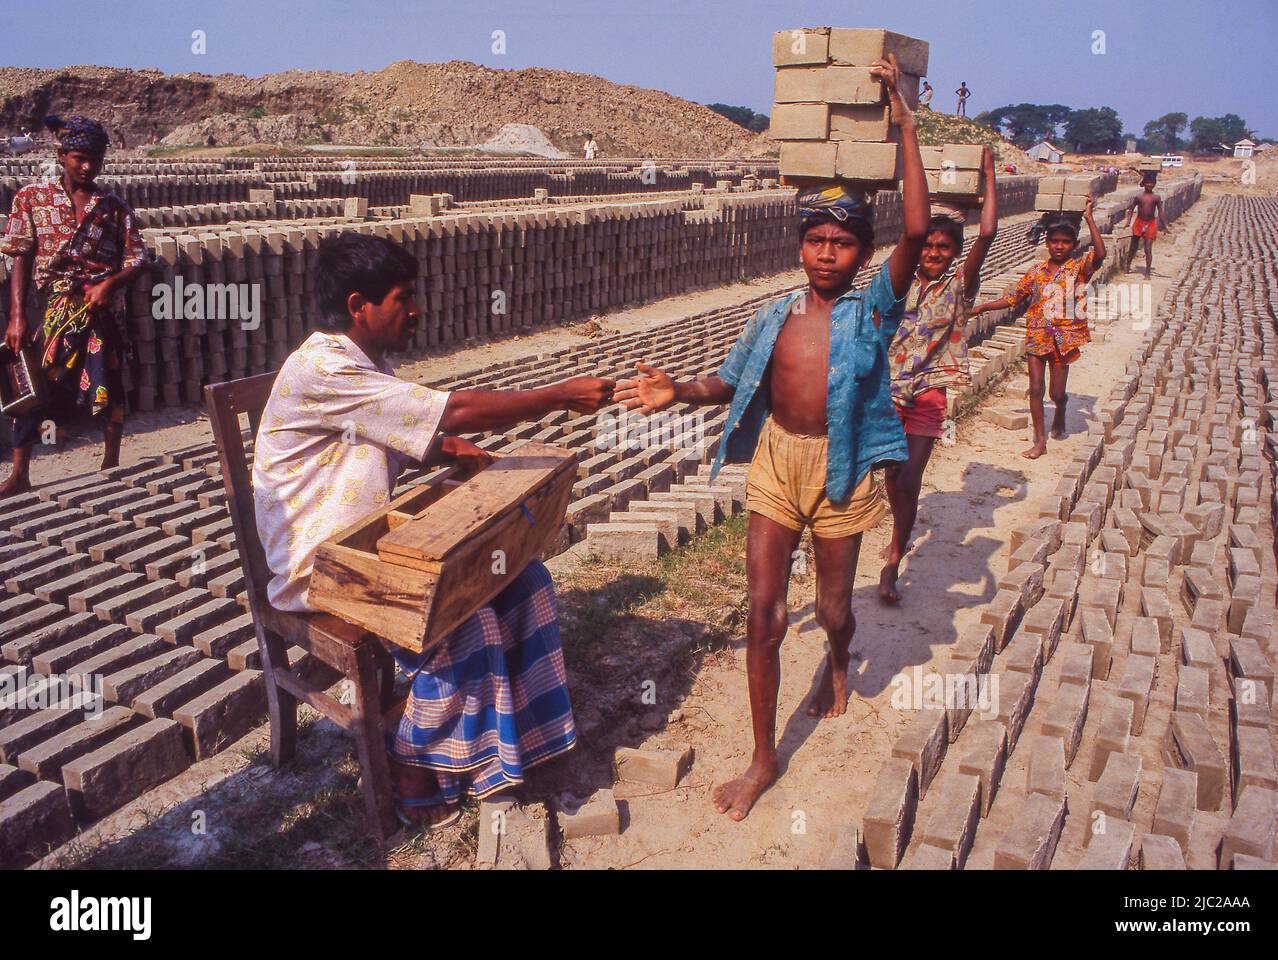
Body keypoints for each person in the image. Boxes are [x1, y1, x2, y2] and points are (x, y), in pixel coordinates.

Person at [614, 54, 930, 822]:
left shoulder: (871, 313)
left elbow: (917, 228)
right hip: (777, 464)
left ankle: (838, 659)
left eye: (844, 243)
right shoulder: (773, 316)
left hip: (842, 467)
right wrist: (677, 390)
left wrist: (904, 119)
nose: (828, 252)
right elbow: (732, 382)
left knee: (830, 609)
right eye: (816, 239)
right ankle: (762, 756)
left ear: (861, 254)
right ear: (800, 245)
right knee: (764, 611)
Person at [252, 232, 614, 829]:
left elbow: (397, 427)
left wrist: (446, 448)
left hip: (363, 546)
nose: (417, 309)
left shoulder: (367, 364)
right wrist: (558, 396)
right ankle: (414, 764)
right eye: (404, 297)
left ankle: (509, 747)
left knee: (525, 583)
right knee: (459, 615)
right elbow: (455, 407)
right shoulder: (323, 368)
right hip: (319, 570)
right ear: (358, 306)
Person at [1, 115, 150, 498]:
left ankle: (110, 462)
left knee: (109, 384)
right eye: (80, 158)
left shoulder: (114, 207)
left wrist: (109, 285)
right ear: (62, 155)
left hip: (99, 311)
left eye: (95, 159)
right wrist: (16, 316)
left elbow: (138, 260)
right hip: (50, 309)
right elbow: (20, 256)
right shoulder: (32, 198)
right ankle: (20, 473)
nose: (87, 167)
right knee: (32, 384)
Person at [879, 146, 999, 602]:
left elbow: (987, 233)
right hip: (885, 393)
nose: (933, 252)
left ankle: (894, 559)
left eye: (943, 247)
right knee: (890, 478)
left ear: (954, 253)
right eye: (927, 245)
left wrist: (986, 173)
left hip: (928, 394)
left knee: (908, 481)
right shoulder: (897, 279)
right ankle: (883, 539)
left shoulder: (959, 286)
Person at [968, 199, 1105, 459]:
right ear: (1047, 243)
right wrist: (982, 307)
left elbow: (1100, 254)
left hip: (1063, 339)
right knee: (1036, 388)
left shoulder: (1077, 270)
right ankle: (1040, 441)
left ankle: (1061, 409)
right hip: (1036, 336)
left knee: (1055, 392)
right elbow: (1013, 298)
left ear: (1074, 245)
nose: (1060, 246)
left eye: (1066, 242)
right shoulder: (1036, 272)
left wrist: (1089, 218)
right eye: (1055, 241)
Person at [1122, 175, 1166, 277]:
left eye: (1151, 183)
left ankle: (1147, 272)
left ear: (1154, 184)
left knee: (1148, 248)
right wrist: (1128, 222)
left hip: (1150, 224)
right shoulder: (1139, 197)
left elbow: (1160, 212)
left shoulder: (1156, 198)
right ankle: (1127, 266)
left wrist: (1165, 225)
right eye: (1147, 183)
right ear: (1144, 184)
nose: (1149, 185)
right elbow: (1131, 209)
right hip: (1139, 223)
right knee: (1133, 246)